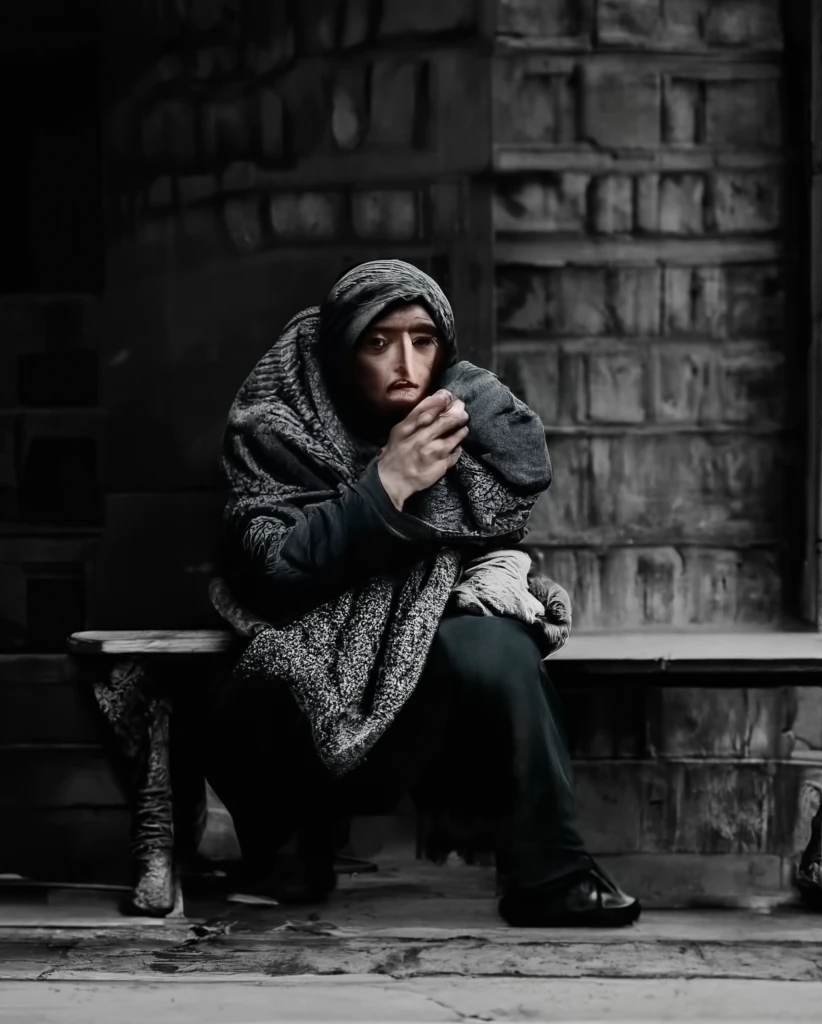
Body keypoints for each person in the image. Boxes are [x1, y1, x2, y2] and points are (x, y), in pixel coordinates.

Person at [195, 260, 641, 928]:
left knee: (493, 643)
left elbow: (514, 492)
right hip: (295, 694)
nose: (406, 362)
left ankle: (549, 872)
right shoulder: (274, 426)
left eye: (423, 340)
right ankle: (290, 849)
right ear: (340, 353)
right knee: (268, 672)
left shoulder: (455, 428)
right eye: (378, 343)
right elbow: (273, 569)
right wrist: (385, 484)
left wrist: (456, 404)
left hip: (423, 700)